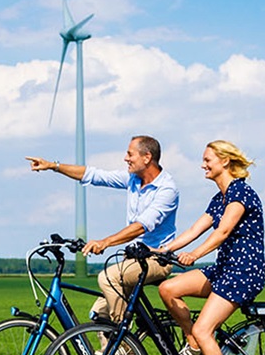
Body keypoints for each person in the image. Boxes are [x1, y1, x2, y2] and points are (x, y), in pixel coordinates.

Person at [156, 140, 265, 355]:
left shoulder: (241, 192)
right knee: (168, 289)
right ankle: (193, 343)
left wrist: (195, 254)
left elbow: (224, 230)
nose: (203, 164)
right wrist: (160, 251)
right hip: (224, 269)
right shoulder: (219, 198)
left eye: (207, 160)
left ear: (225, 162)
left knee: (206, 329)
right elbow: (194, 229)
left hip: (244, 273)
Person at [26, 135, 179, 324]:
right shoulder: (133, 179)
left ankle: (123, 343)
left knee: (108, 277)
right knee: (99, 315)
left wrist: (105, 242)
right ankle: (114, 349)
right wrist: (53, 166)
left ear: (147, 157)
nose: (125, 158)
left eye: (130, 154)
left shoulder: (167, 189)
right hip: (132, 258)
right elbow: (94, 175)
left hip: (157, 259)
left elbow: (141, 227)